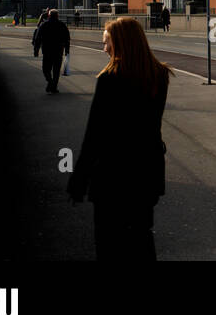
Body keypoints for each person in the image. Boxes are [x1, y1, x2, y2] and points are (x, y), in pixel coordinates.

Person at [67, 17, 171, 260]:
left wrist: (80, 179)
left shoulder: (110, 80)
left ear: (120, 43)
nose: (104, 49)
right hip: (147, 172)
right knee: (142, 238)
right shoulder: (159, 75)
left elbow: (95, 136)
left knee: (109, 243)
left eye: (107, 42)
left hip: (113, 175)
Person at [38, 8, 71, 93]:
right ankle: (53, 86)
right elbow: (67, 39)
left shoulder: (44, 25)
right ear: (57, 16)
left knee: (45, 69)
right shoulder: (62, 25)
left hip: (47, 51)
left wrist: (36, 50)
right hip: (58, 51)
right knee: (56, 71)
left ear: (49, 15)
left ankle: (50, 82)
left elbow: (38, 38)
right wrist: (67, 50)